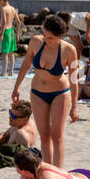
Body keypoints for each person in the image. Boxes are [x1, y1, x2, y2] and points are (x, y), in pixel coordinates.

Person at [12, 14, 79, 168]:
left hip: (60, 93)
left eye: (50, 38)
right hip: (37, 92)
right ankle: (47, 170)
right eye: (45, 35)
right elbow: (26, 65)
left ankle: (58, 172)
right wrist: (16, 88)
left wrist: (75, 106)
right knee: (44, 135)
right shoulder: (36, 41)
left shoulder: (70, 51)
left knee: (57, 135)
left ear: (60, 36)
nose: (46, 39)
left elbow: (74, 80)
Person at [0, 0, 20, 77]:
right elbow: (18, 22)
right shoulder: (13, 9)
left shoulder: (3, 9)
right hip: (12, 31)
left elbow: (4, 23)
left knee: (5, 53)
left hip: (6, 31)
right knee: (11, 53)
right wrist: (17, 33)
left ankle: (4, 72)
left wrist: (1, 34)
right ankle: (11, 72)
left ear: (2, 0)